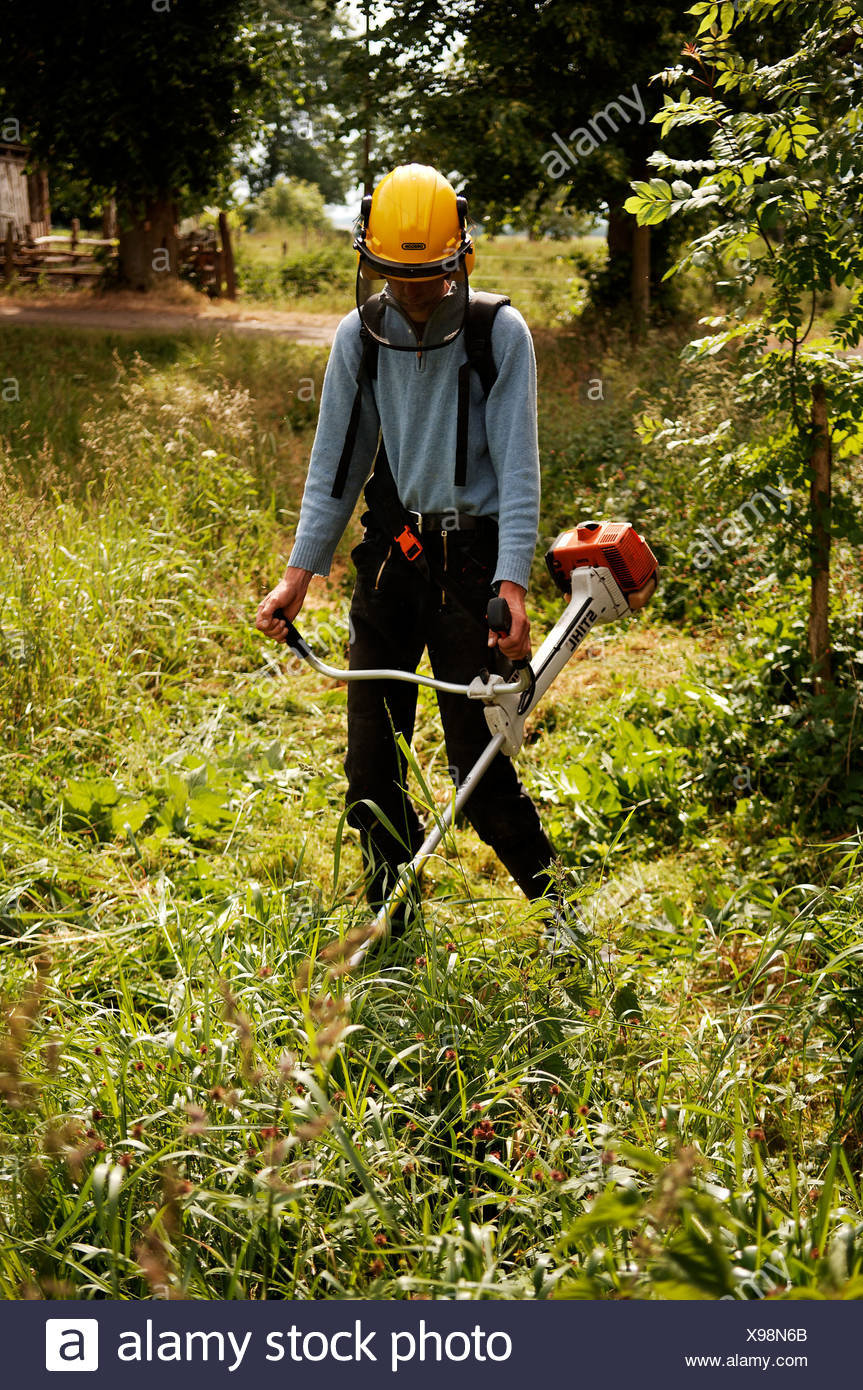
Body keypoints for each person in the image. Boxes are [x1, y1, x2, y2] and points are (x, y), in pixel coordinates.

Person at [257, 163, 574, 950]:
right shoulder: (358, 338)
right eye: (395, 278)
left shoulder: (497, 333)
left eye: (426, 276)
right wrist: (300, 573)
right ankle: (393, 928)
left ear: (458, 256)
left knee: (478, 771)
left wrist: (512, 584)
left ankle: (559, 918)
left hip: (469, 571)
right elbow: (337, 462)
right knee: (369, 772)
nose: (411, 293)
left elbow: (519, 467)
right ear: (370, 260)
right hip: (392, 561)